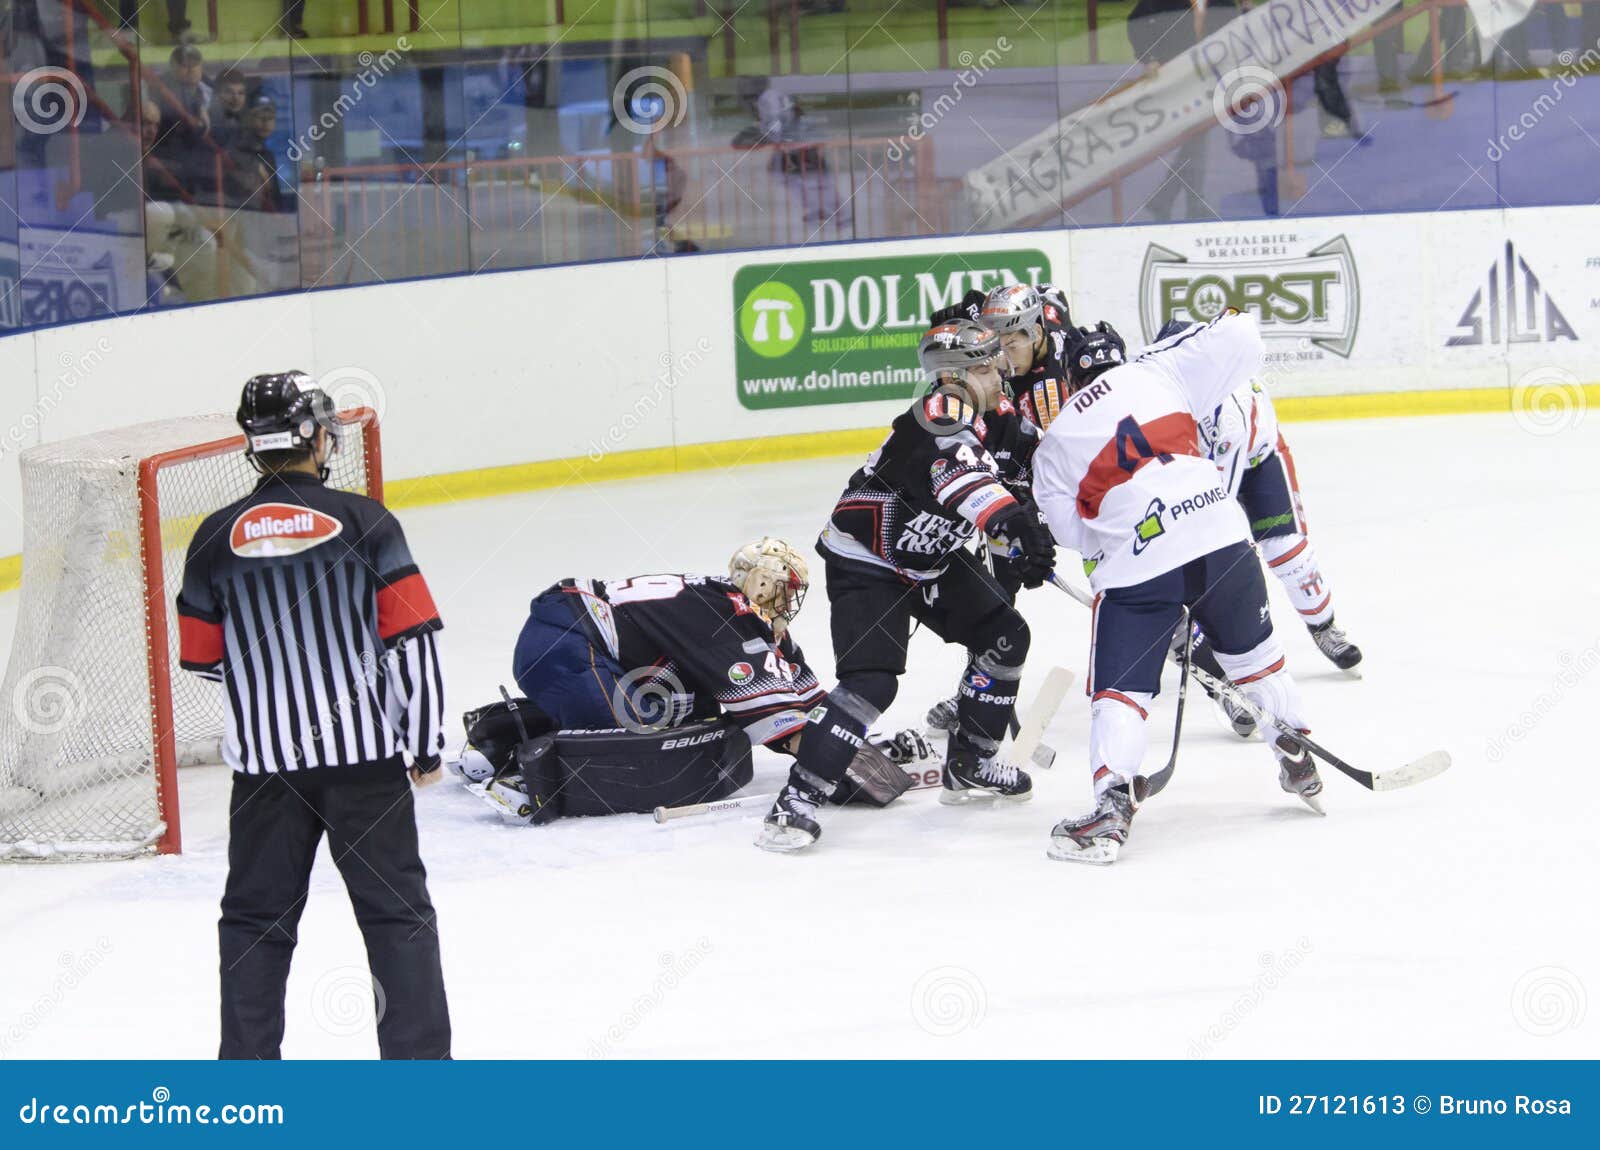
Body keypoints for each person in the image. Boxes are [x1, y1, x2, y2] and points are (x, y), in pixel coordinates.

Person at [176, 372, 451, 1059]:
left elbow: (202, 658)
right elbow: (410, 643)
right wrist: (421, 746)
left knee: (254, 926)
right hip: (365, 768)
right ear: (315, 437)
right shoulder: (367, 523)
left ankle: (247, 1083)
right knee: (396, 920)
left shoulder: (213, 537)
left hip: (267, 776)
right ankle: (422, 1080)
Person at [1030, 312, 1325, 865]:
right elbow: (1243, 335)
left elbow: (1073, 534)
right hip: (1221, 531)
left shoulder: (1055, 440)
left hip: (1140, 562)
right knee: (1258, 662)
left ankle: (1112, 806)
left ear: (1069, 378)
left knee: (1121, 693)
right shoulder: (1160, 372)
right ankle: (1295, 749)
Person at [501, 539, 921, 850]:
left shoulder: (746, 619)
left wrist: (859, 741)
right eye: (784, 588)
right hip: (564, 637)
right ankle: (515, 760)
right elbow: (784, 727)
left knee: (688, 712)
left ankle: (512, 732)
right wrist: (838, 765)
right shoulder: (726, 616)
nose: (790, 600)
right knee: (637, 742)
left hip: (578, 639)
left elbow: (812, 705)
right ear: (759, 583)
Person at [816, 319, 1056, 810]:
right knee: (871, 682)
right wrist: (1009, 519)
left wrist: (1031, 534)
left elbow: (1028, 472)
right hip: (869, 561)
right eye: (990, 370)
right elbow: (959, 477)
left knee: (1006, 635)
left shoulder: (1000, 417)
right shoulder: (937, 416)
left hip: (933, 558)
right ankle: (798, 799)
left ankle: (969, 761)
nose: (1001, 379)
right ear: (957, 377)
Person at [223, 92, 293, 212]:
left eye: (270, 117)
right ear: (249, 118)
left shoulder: (268, 155)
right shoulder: (235, 147)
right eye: (259, 116)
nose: (265, 121)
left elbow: (274, 197)